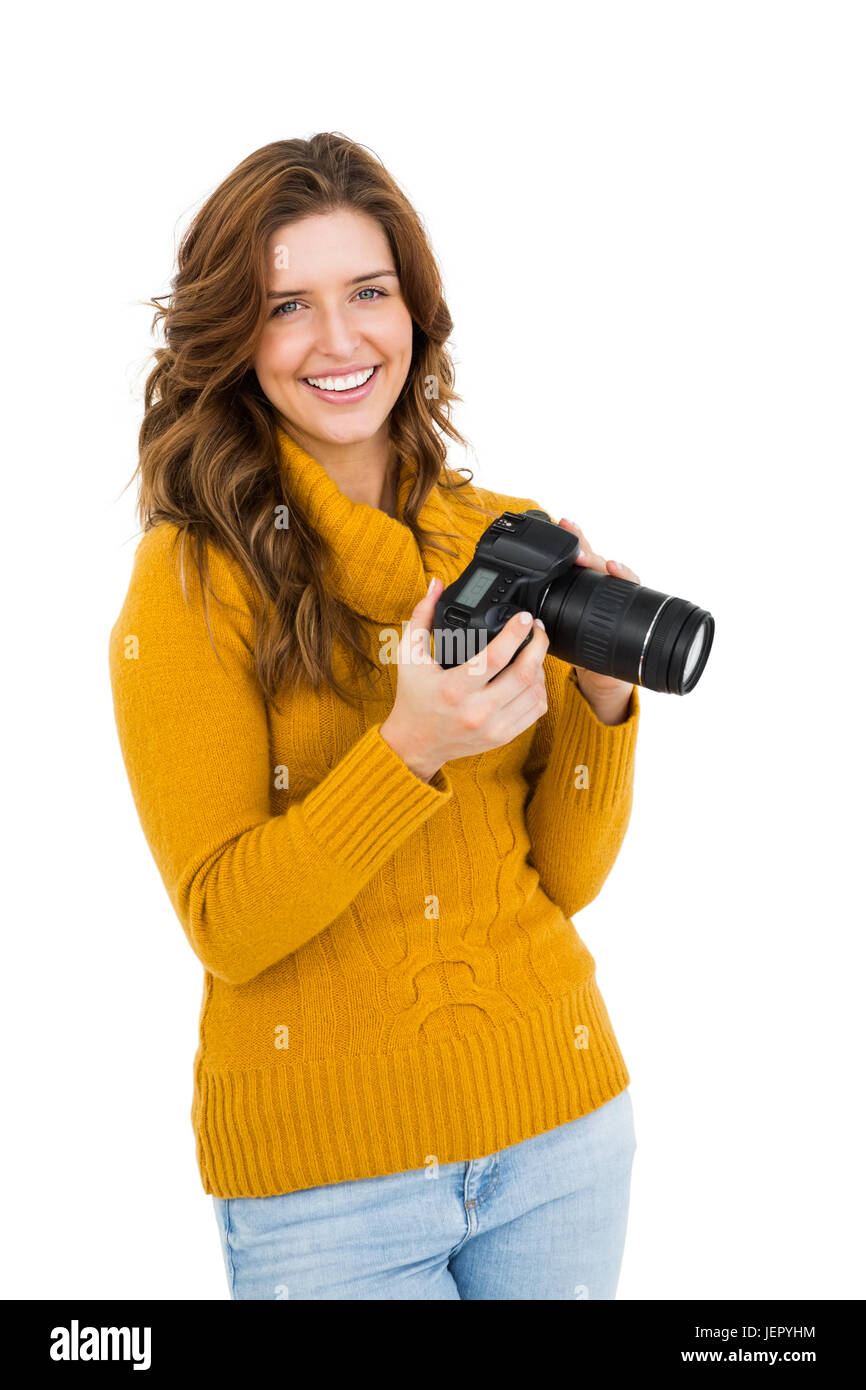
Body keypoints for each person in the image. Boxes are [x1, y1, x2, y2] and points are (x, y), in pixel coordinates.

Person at [108, 132, 643, 1301]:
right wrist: (408, 748)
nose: (339, 339)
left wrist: (604, 699)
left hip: (561, 1129)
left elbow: (564, 873)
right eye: (286, 305)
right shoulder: (191, 582)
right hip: (329, 1195)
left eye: (368, 292)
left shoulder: (498, 534)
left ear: (416, 312)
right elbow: (227, 924)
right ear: (232, 337)